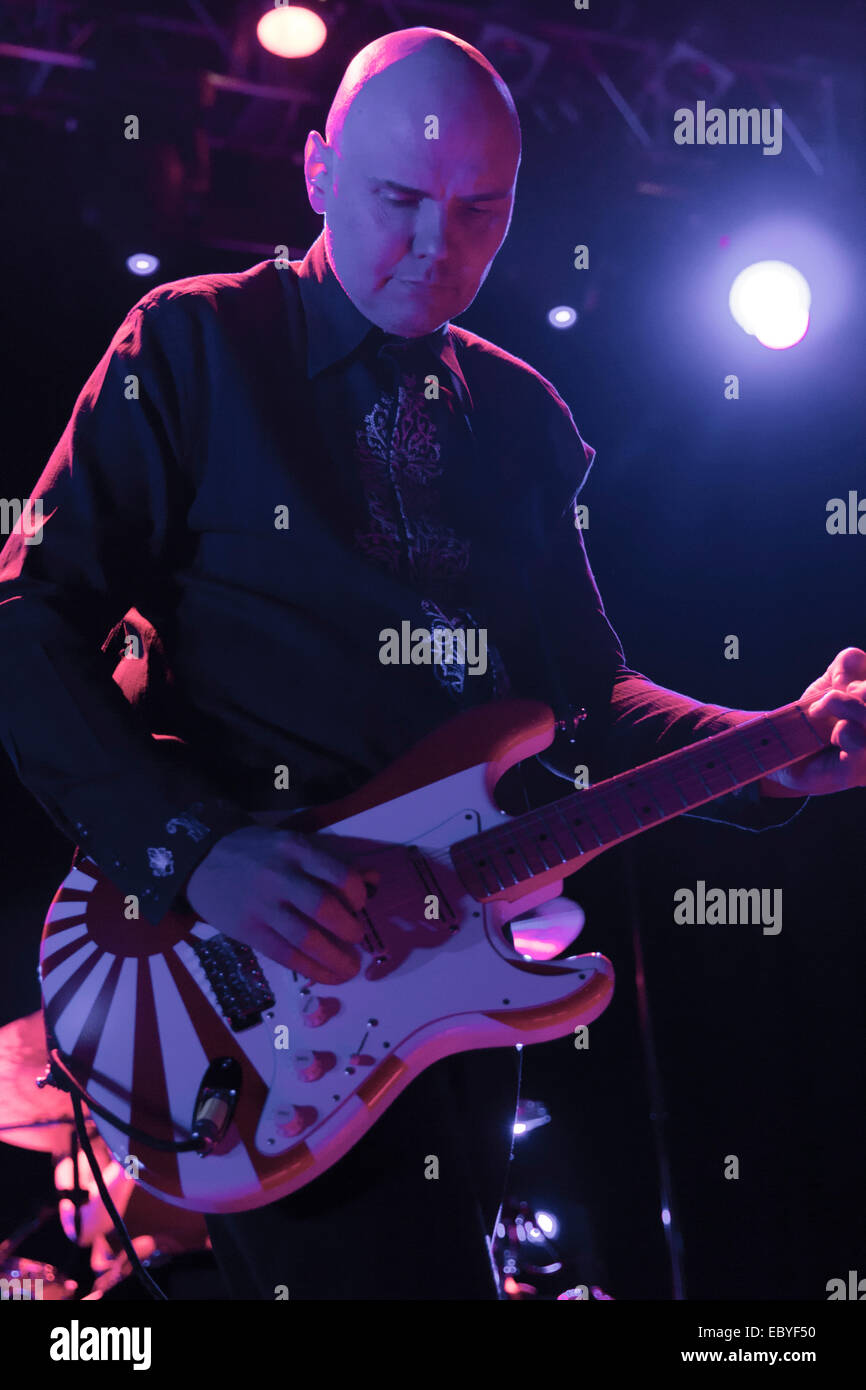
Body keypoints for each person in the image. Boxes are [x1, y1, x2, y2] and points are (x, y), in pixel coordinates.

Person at [1, 26, 865, 1301]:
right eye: (398, 200)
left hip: (442, 975)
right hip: (232, 970)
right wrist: (203, 852)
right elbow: (27, 623)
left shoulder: (520, 418)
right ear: (313, 169)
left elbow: (586, 705)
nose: (433, 245)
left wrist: (779, 743)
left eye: (478, 211)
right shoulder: (191, 345)